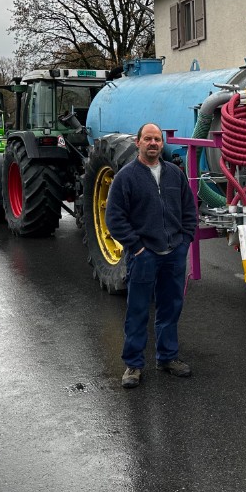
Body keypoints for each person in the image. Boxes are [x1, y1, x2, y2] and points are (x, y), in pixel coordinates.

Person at [105, 123, 197, 389]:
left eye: (157, 139)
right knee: (138, 310)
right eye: (148, 139)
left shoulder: (175, 174)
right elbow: (114, 218)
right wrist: (136, 246)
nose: (154, 143)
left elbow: (189, 209)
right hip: (144, 255)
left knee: (170, 307)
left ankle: (167, 357)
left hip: (173, 253)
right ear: (138, 143)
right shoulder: (126, 177)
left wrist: (185, 241)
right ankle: (133, 364)